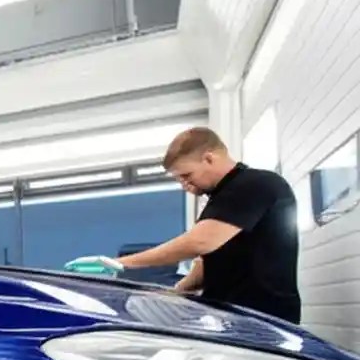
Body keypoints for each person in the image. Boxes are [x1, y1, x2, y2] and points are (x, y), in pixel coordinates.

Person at [64, 126, 302, 324]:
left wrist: (120, 263)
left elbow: (200, 242)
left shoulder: (255, 185)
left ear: (209, 158)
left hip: (263, 316)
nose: (185, 185)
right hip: (228, 312)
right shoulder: (221, 198)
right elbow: (206, 262)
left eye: (187, 176)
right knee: (140, 307)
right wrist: (176, 293)